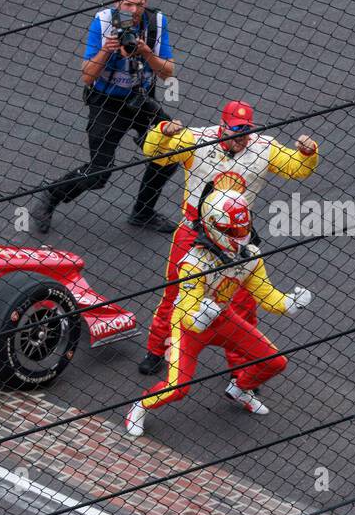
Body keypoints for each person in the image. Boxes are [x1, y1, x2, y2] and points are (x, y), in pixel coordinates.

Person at [136, 99, 319, 375]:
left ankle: (243, 366)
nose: (243, 137)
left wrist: (308, 153)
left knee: (245, 301)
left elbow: (297, 169)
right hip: (193, 231)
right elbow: (156, 155)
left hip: (237, 235)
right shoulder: (196, 139)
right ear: (222, 127)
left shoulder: (263, 147)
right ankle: (157, 348)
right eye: (236, 131)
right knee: (176, 292)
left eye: (246, 131)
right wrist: (162, 131)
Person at [123, 187, 313, 437]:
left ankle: (240, 389)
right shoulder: (193, 262)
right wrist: (201, 316)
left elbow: (265, 295)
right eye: (233, 231)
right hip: (188, 327)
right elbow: (188, 309)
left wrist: (289, 303)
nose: (241, 236)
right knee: (177, 389)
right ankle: (140, 405)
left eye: (244, 228)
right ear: (213, 226)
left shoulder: (251, 256)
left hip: (224, 318)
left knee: (275, 361)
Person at [33, 0, 178, 235]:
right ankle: (51, 196)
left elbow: (167, 72)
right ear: (116, 4)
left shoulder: (156, 22)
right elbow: (87, 75)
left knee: (170, 153)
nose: (134, 10)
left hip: (142, 100)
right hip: (107, 101)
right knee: (99, 173)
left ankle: (143, 212)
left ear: (146, 2)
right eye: (127, 5)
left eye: (139, 4)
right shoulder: (102, 23)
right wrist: (107, 51)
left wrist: (146, 52)